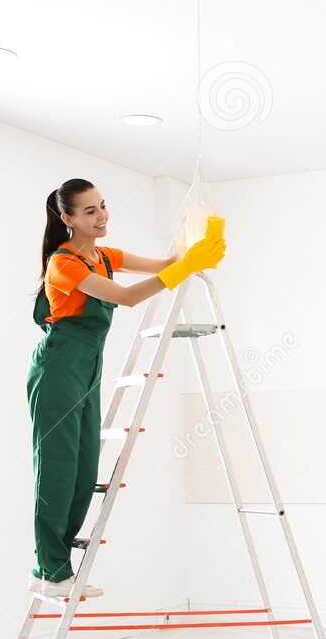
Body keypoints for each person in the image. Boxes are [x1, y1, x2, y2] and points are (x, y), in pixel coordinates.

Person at [27, 178, 225, 599]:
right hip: (58, 366)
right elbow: (129, 297)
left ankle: (57, 566)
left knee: (84, 469)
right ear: (67, 219)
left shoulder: (105, 256)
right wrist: (183, 268)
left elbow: (164, 263)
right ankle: (48, 567)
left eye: (103, 206)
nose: (102, 217)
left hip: (87, 366)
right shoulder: (64, 264)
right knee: (58, 468)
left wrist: (199, 244)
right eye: (89, 211)